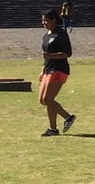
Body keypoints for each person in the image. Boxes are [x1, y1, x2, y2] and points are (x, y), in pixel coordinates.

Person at [38, 9, 76, 137]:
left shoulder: (61, 33)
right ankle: (60, 123)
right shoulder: (46, 35)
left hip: (59, 69)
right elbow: (46, 56)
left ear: (54, 20)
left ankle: (59, 124)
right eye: (43, 20)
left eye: (46, 20)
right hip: (48, 69)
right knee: (43, 100)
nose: (44, 23)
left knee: (48, 99)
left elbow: (67, 53)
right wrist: (42, 70)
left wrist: (51, 55)